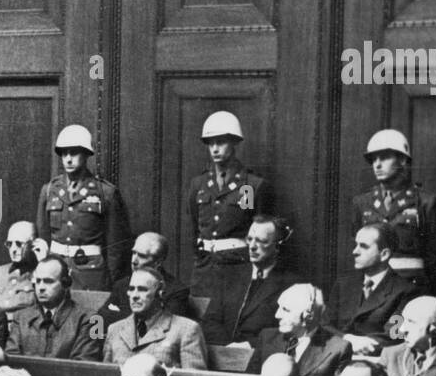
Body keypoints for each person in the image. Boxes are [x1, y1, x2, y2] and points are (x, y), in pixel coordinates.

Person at [35, 124, 131, 291]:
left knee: (92, 316)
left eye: (74, 152)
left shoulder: (106, 192)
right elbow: (43, 236)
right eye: (64, 153)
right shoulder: (50, 190)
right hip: (55, 271)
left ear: (86, 154)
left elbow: (116, 246)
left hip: (91, 274)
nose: (68, 158)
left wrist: (110, 280)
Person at [188, 112, 274, 296]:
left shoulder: (248, 186)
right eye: (211, 143)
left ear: (234, 143)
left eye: (221, 142)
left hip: (237, 269)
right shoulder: (199, 184)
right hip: (204, 270)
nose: (215, 149)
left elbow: (255, 225)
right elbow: (194, 228)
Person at [352, 129, 436, 289]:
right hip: (374, 289)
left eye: (384, 158)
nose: (377, 164)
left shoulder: (426, 202)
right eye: (373, 159)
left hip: (413, 289)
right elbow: (358, 253)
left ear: (403, 160)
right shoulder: (362, 203)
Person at [199, 215, 297, 346]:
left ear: (278, 245)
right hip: (222, 352)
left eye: (261, 241)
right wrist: (230, 347)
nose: (252, 246)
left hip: (260, 357)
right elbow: (210, 322)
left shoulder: (290, 284)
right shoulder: (229, 275)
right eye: (249, 239)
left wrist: (249, 344)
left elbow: (285, 333)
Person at [324, 223, 420, 356]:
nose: (355, 251)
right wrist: (349, 340)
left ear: (384, 254)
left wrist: (357, 344)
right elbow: (325, 325)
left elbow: (393, 336)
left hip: (374, 362)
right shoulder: (344, 284)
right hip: (335, 357)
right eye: (355, 245)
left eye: (363, 246)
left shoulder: (405, 291)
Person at [105, 268, 207, 368]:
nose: (134, 295)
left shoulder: (187, 330)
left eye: (142, 289)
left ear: (160, 293)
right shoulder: (114, 330)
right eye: (131, 289)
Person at [8, 256, 102, 361]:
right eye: (38, 281)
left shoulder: (93, 320)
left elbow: (85, 365)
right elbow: (11, 360)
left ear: (65, 283)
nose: (41, 287)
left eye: (48, 281)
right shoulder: (20, 318)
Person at [252, 284, 353, 376]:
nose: (277, 315)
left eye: (285, 310)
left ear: (308, 316)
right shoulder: (267, 337)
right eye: (279, 307)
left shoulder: (338, 349)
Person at [99, 231, 190, 326]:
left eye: (142, 256)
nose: (134, 260)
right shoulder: (121, 285)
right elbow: (98, 320)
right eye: (134, 253)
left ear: (158, 262)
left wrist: (116, 316)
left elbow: (164, 326)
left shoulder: (176, 291)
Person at [0, 221, 40, 329]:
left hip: (23, 332)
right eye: (9, 244)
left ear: (33, 244)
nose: (13, 249)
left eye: (19, 244)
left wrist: (42, 261)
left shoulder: (39, 274)